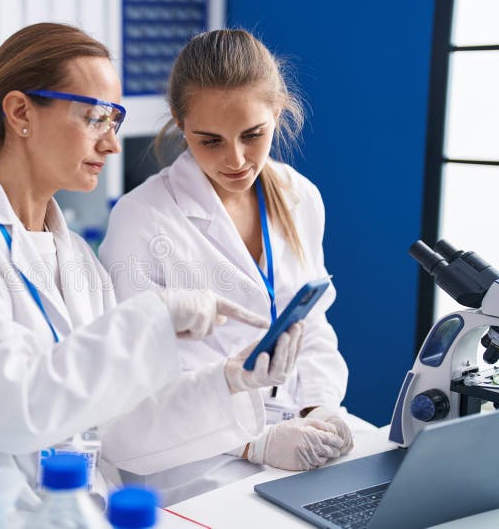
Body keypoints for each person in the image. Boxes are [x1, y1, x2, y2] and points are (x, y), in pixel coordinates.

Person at [0, 23, 303, 509]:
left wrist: (228, 381)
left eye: (115, 122)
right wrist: (151, 317)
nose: (112, 144)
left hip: (66, 513)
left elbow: (118, 430)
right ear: (21, 112)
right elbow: (7, 406)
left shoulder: (78, 264)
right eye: (95, 118)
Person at [99, 29, 357, 505]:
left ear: (277, 113)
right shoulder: (141, 219)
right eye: (209, 140)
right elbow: (130, 382)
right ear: (180, 124)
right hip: (191, 458)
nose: (236, 160)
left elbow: (313, 322)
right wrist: (251, 442)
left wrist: (320, 406)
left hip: (295, 431)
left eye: (253, 135)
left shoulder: (301, 196)